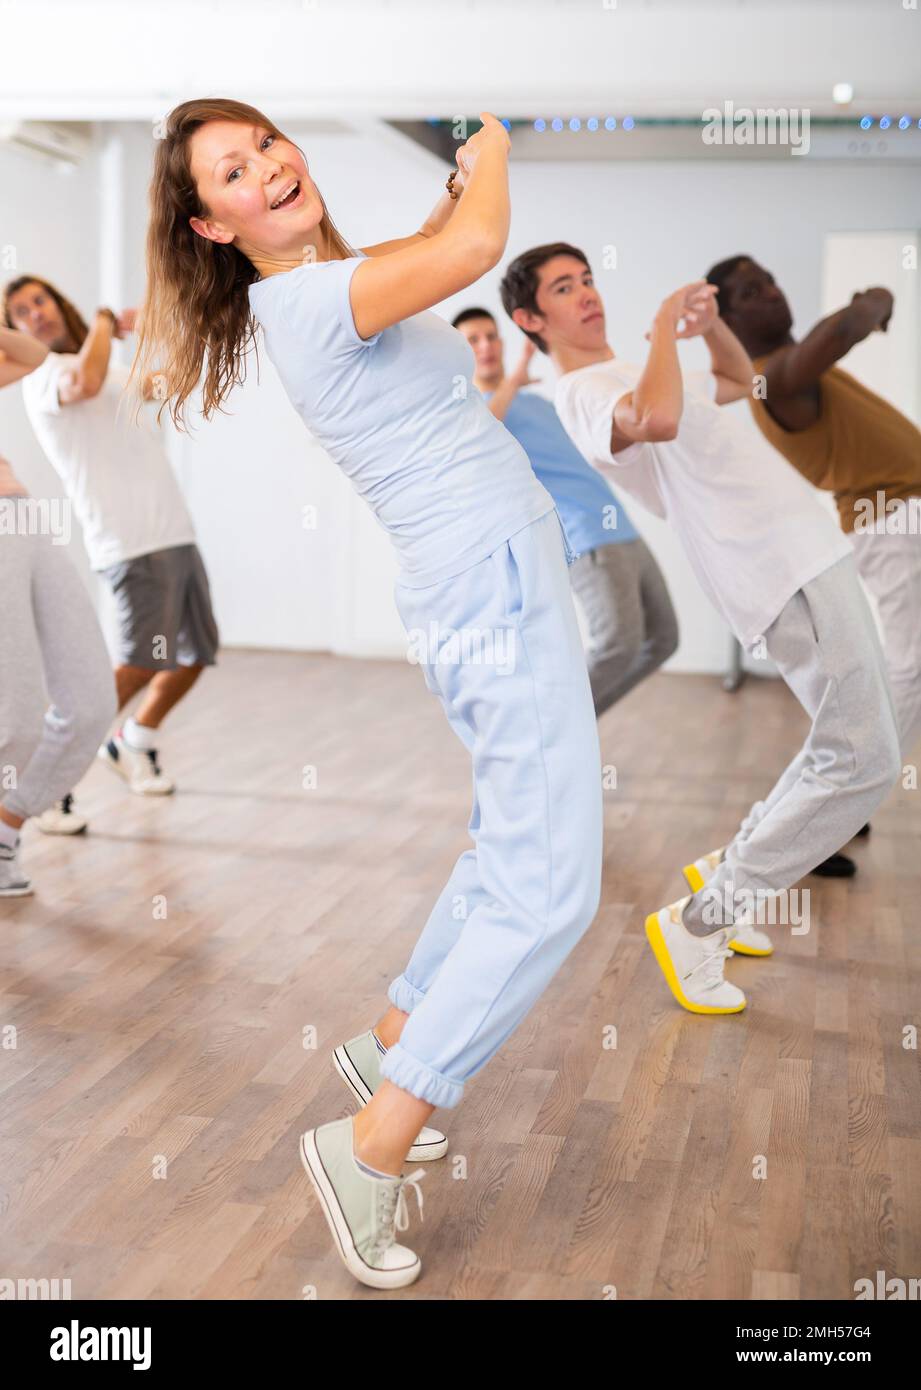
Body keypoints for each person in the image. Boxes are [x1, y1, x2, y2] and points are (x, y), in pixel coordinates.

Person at [132, 100, 602, 1290]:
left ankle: (394, 1033)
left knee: (512, 847)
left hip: (488, 572)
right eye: (233, 171)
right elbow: (471, 251)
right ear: (213, 221)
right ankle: (371, 1141)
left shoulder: (339, 274)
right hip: (488, 582)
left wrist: (451, 188)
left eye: (267, 143)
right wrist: (495, 152)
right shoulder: (301, 298)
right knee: (550, 887)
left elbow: (433, 242)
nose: (267, 168)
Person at [500, 241, 900, 1012]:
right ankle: (703, 917)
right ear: (529, 318)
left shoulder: (648, 367)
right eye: (562, 288)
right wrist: (658, 327)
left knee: (849, 746)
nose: (585, 294)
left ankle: (729, 868)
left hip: (806, 551)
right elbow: (650, 419)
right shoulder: (580, 392)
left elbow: (730, 382)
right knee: (866, 760)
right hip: (772, 568)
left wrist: (712, 325)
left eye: (586, 279)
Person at [2, 277, 220, 818]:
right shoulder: (45, 378)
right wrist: (103, 320)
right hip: (126, 543)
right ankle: (43, 784)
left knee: (194, 654)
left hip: (174, 530)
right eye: (20, 312)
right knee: (143, 662)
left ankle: (134, 741)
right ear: (14, 330)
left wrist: (161, 329)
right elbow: (87, 377)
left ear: (58, 303)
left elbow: (169, 383)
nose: (34, 314)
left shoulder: (112, 371)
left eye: (39, 301)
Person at [706, 256, 921, 771]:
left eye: (770, 280)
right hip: (890, 520)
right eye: (751, 293)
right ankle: (843, 794)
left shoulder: (796, 366)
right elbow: (848, 326)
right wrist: (870, 300)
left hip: (901, 514)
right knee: (912, 664)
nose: (772, 293)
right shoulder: (772, 380)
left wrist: (874, 305)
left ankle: (844, 796)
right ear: (728, 323)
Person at [452, 306, 678, 717]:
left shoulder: (539, 403)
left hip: (620, 527)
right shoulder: (471, 413)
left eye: (491, 336)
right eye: (472, 340)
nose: (485, 346)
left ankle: (570, 732)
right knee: (617, 646)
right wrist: (514, 378)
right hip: (583, 537)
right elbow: (479, 440)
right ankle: (545, 733)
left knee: (663, 639)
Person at [0, 324, 116, 895]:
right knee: (14, 723)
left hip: (22, 518)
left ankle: (5, 829)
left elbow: (33, 353)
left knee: (92, 704)